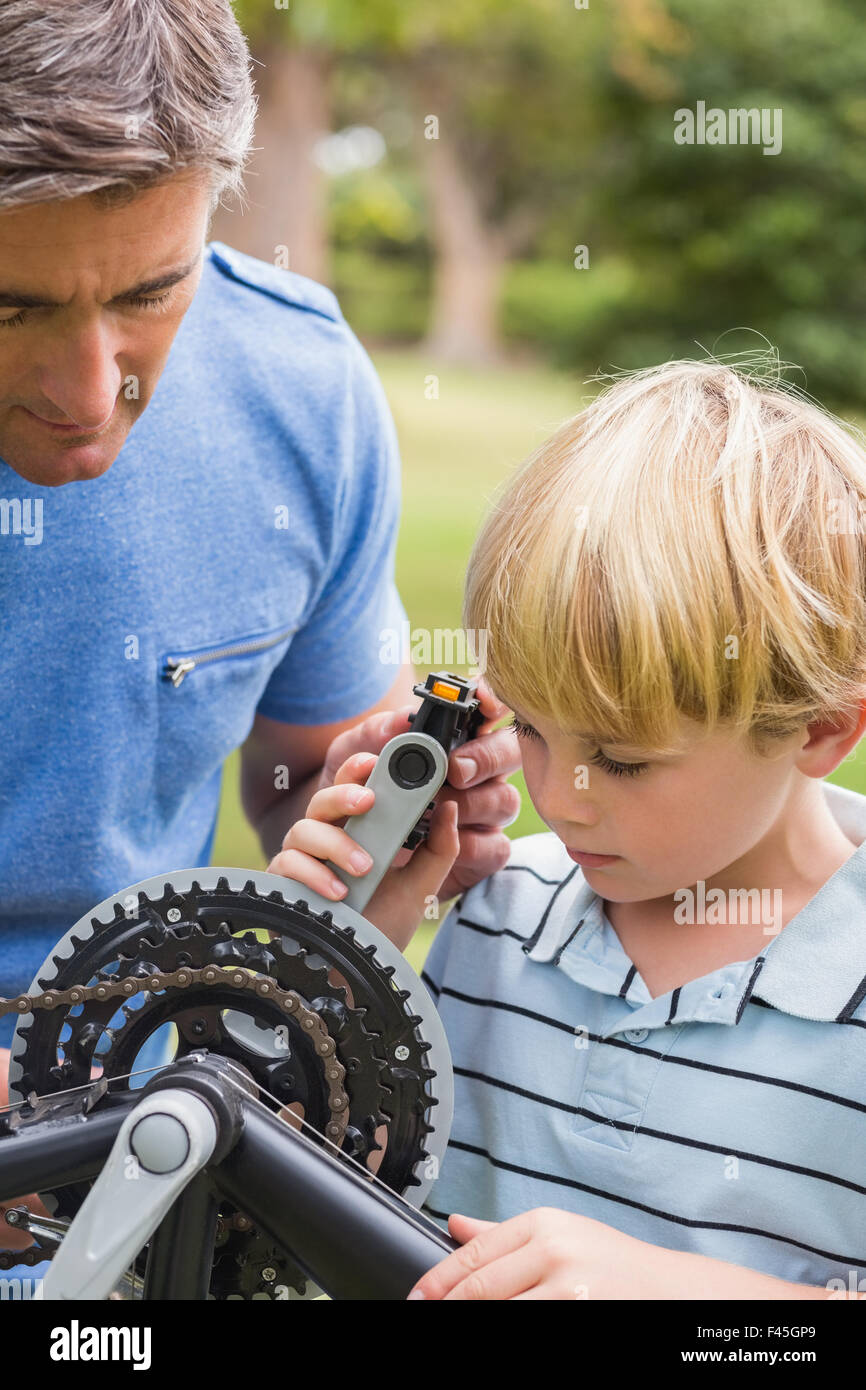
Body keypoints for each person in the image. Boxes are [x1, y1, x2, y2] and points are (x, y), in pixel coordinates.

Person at [0, 0, 520, 1267]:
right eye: (9, 309)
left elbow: (296, 792)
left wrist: (372, 836)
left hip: (138, 1180)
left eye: (149, 290)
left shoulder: (300, 391)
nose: (89, 392)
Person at [276, 357, 866, 1299]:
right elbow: (318, 1215)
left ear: (823, 729)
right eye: (534, 731)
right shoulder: (498, 917)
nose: (566, 797)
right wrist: (342, 960)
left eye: (624, 759)